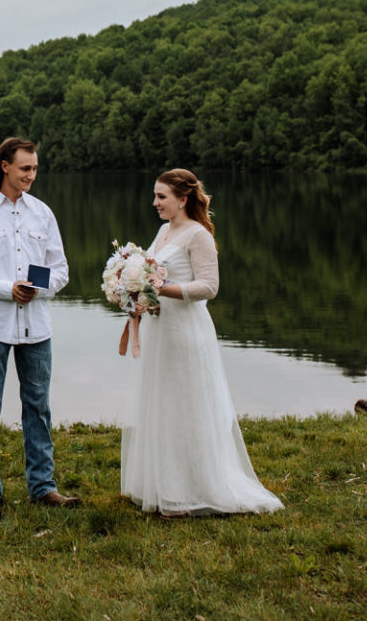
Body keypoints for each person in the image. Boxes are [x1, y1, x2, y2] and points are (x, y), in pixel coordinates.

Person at [119, 168, 283, 517]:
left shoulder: (198, 235)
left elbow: (209, 287)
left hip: (186, 332)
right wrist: (133, 291)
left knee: (186, 405)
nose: (155, 203)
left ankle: (191, 490)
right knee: (163, 404)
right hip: (160, 331)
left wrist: (162, 290)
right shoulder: (164, 230)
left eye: (162, 197)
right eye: (155, 196)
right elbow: (149, 272)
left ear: (183, 198)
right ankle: (164, 485)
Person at [0, 137, 80, 518]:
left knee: (38, 409)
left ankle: (43, 487)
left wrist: (38, 288)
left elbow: (61, 270)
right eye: (25, 168)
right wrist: (6, 290)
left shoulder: (42, 213)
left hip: (37, 328)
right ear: (4, 166)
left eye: (35, 168)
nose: (31, 175)